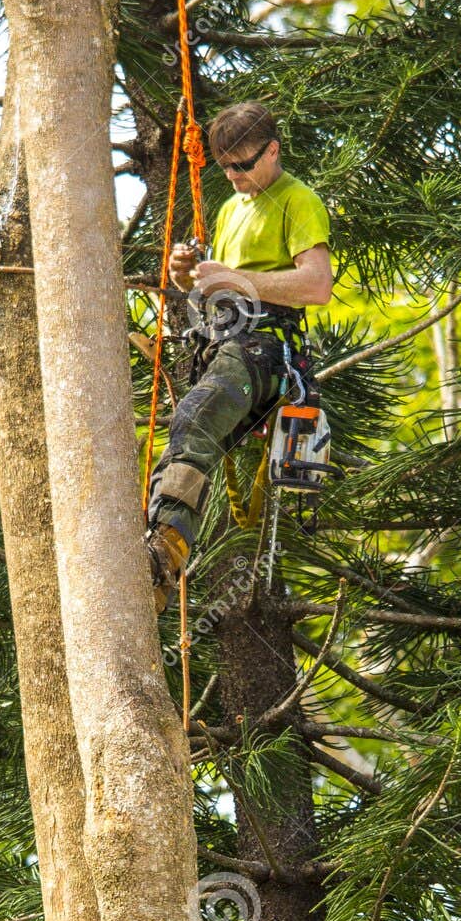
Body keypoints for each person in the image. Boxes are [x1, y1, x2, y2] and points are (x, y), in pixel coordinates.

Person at [145, 100, 333, 613]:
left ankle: (162, 550)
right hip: (223, 344)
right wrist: (189, 273)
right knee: (192, 441)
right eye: (225, 166)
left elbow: (317, 285)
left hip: (266, 348)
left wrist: (241, 279)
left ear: (273, 150)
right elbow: (211, 284)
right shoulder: (231, 209)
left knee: (195, 420)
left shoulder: (298, 200)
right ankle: (163, 561)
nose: (233, 176)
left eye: (244, 164)